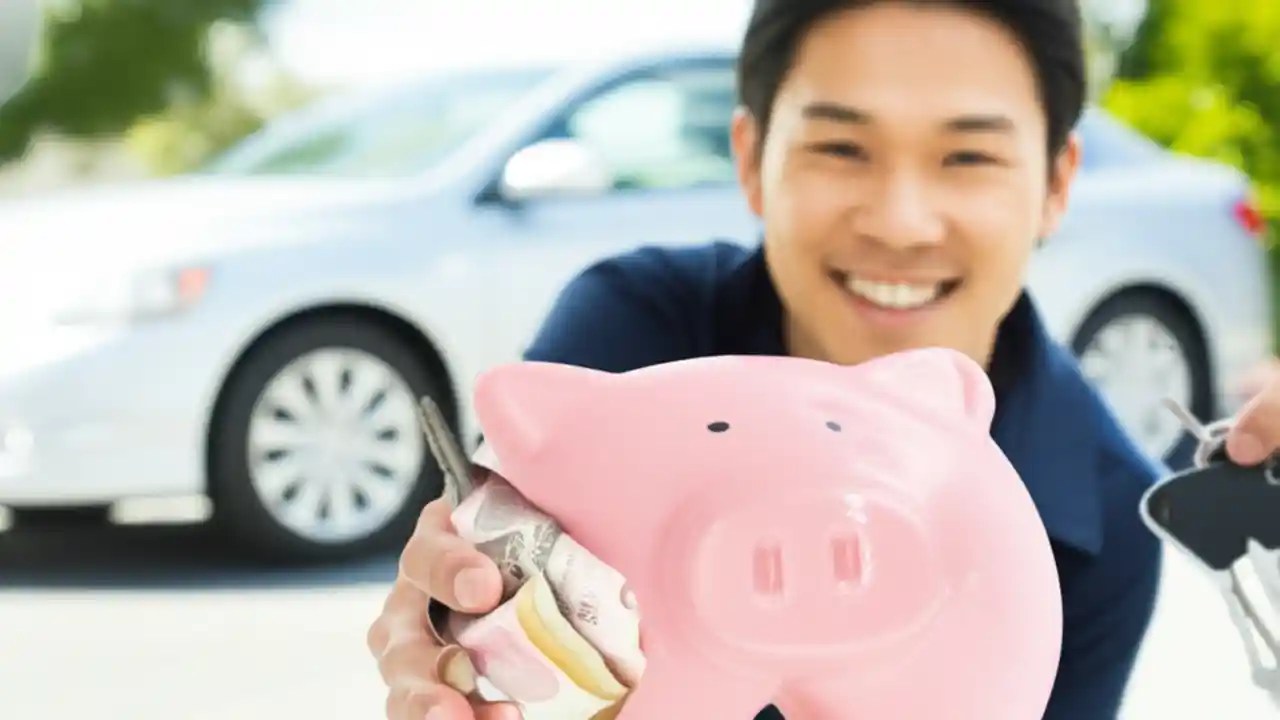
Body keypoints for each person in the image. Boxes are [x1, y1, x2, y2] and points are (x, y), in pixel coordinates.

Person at [367, 0, 1280, 718]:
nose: (898, 221)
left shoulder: (1100, 521)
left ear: (1055, 185)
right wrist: (454, 628)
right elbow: (489, 598)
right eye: (842, 147)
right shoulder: (631, 332)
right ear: (753, 158)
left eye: (968, 157)